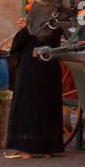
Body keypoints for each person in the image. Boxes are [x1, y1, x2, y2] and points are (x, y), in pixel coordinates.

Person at [4, 20, 65, 158]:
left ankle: (25, 150)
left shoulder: (35, 24)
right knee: (48, 105)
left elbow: (17, 43)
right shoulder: (56, 25)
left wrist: (25, 27)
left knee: (26, 108)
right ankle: (47, 149)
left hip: (30, 68)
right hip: (50, 67)